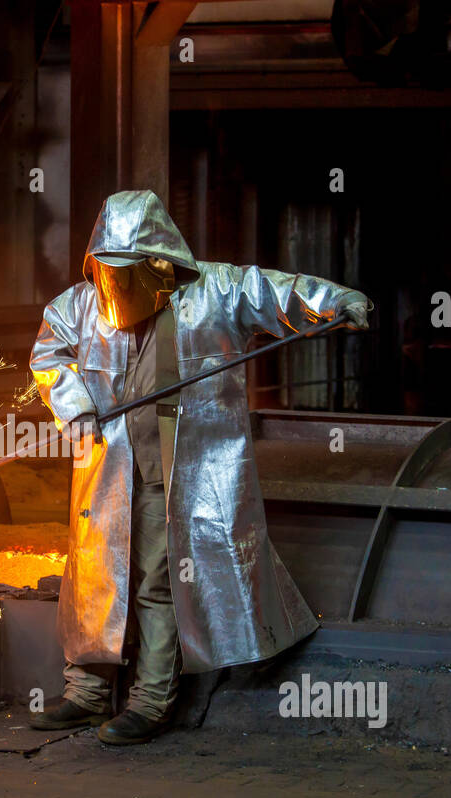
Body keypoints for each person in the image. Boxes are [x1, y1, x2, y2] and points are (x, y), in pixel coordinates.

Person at [28, 189, 369, 745]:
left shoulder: (214, 293)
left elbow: (275, 293)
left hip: (177, 476)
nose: (115, 288)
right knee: (95, 575)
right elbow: (49, 354)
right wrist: (76, 406)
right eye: (108, 274)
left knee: (157, 582)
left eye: (126, 275)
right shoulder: (78, 307)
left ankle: (151, 698)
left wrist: (334, 302)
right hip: (111, 473)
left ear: (156, 264)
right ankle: (87, 692)